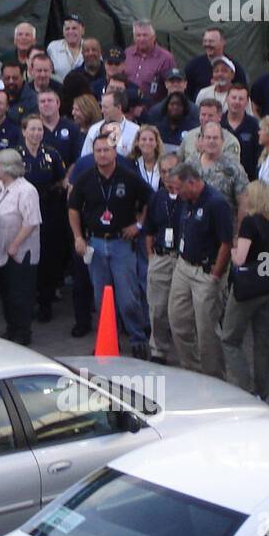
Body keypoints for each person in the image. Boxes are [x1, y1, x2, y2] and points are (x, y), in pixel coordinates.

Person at [68, 133, 153, 358]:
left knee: (128, 297)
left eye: (107, 150)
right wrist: (78, 237)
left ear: (115, 152)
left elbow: (150, 199)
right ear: (93, 153)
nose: (103, 154)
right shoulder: (86, 178)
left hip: (121, 243)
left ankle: (138, 339)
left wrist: (139, 225)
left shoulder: (128, 176)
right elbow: (73, 208)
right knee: (101, 298)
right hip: (95, 243)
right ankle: (108, 339)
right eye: (98, 151)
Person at [222, 180, 269, 400]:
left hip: (248, 290)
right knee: (262, 341)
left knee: (230, 339)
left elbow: (240, 260)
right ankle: (262, 393)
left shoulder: (249, 223)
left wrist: (234, 248)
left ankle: (243, 387)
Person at [167, 162, 234, 377]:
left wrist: (216, 275)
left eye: (179, 188)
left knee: (206, 330)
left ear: (193, 182)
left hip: (205, 272)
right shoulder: (188, 200)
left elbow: (226, 242)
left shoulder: (216, 204)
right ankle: (192, 370)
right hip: (184, 266)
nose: (176, 194)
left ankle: (215, 377)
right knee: (177, 320)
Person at [0, 148, 41, 345]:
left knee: (20, 294)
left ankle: (22, 332)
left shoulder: (27, 190)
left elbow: (31, 221)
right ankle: (11, 328)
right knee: (6, 292)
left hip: (19, 252)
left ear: (8, 168)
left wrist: (15, 245)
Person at [20, 115, 67, 322]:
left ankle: (45, 303)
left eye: (39, 129)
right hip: (22, 215)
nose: (36, 133)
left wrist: (53, 190)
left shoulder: (52, 154)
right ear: (24, 131)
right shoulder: (15, 154)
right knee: (25, 259)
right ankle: (25, 302)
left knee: (47, 259)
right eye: (32, 129)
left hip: (48, 213)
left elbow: (62, 179)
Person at [143, 152, 182, 365]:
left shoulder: (188, 196)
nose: (167, 176)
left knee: (182, 310)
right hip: (161, 255)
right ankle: (158, 349)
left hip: (183, 257)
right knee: (157, 308)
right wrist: (151, 256)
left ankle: (188, 350)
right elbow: (149, 228)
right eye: (163, 171)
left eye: (172, 171)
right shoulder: (157, 196)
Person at [190, 121, 250, 210]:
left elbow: (244, 202)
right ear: (201, 140)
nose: (211, 141)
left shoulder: (234, 168)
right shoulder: (190, 165)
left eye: (215, 138)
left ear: (222, 141)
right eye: (208, 137)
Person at [123, 19, 176, 107]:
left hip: (153, 109)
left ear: (153, 37)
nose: (141, 39)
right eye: (138, 35)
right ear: (134, 37)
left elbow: (172, 87)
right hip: (128, 108)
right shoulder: (127, 53)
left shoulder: (166, 58)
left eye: (145, 35)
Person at [178, 97, 242, 165]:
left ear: (219, 117)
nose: (206, 119)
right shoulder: (189, 136)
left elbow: (232, 169)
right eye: (203, 115)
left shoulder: (231, 141)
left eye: (210, 115)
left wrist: (205, 153)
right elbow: (178, 162)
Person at [184, 26, 247, 92]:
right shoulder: (193, 66)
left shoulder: (234, 67)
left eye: (211, 41)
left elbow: (243, 93)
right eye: (205, 41)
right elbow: (187, 94)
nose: (207, 44)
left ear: (223, 42)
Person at [80, 90, 139, 158]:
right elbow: (85, 157)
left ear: (118, 107)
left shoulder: (135, 131)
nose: (102, 111)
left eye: (105, 107)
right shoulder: (94, 129)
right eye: (101, 107)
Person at [222, 82, 259, 178]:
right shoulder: (217, 123)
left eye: (241, 99)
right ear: (227, 99)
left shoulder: (255, 125)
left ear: (247, 102)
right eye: (233, 98)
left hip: (248, 181)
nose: (237, 102)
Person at [38, 89, 80, 168]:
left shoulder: (72, 127)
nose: (46, 104)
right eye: (42, 101)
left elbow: (76, 159)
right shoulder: (32, 129)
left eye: (50, 100)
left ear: (58, 104)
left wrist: (66, 178)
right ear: (38, 105)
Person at [46, 13, 85, 80]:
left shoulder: (90, 47)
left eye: (74, 28)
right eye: (67, 29)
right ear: (63, 31)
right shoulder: (53, 47)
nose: (70, 32)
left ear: (82, 30)